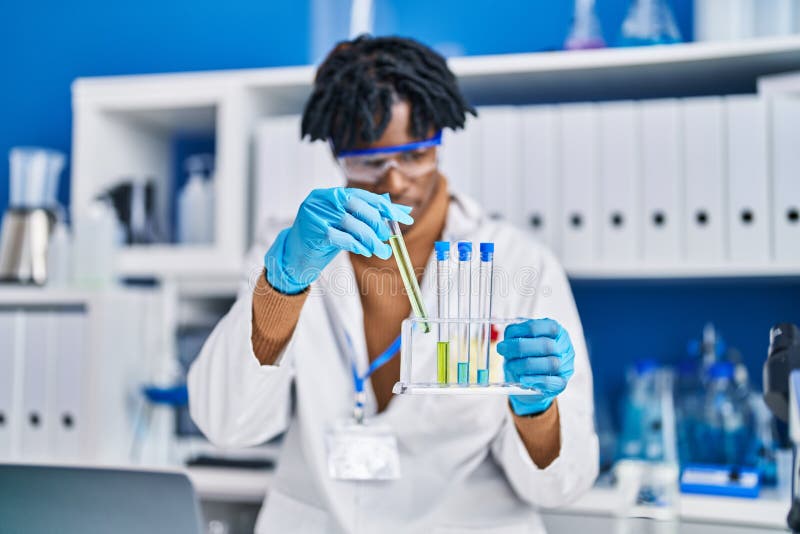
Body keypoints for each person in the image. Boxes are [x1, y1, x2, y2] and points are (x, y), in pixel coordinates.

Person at [188, 35, 598, 534]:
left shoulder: (518, 263)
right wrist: (283, 286)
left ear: (441, 139)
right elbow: (227, 424)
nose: (395, 182)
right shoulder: (294, 247)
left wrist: (537, 409)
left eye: (415, 154)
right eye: (368, 161)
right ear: (336, 152)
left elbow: (558, 487)